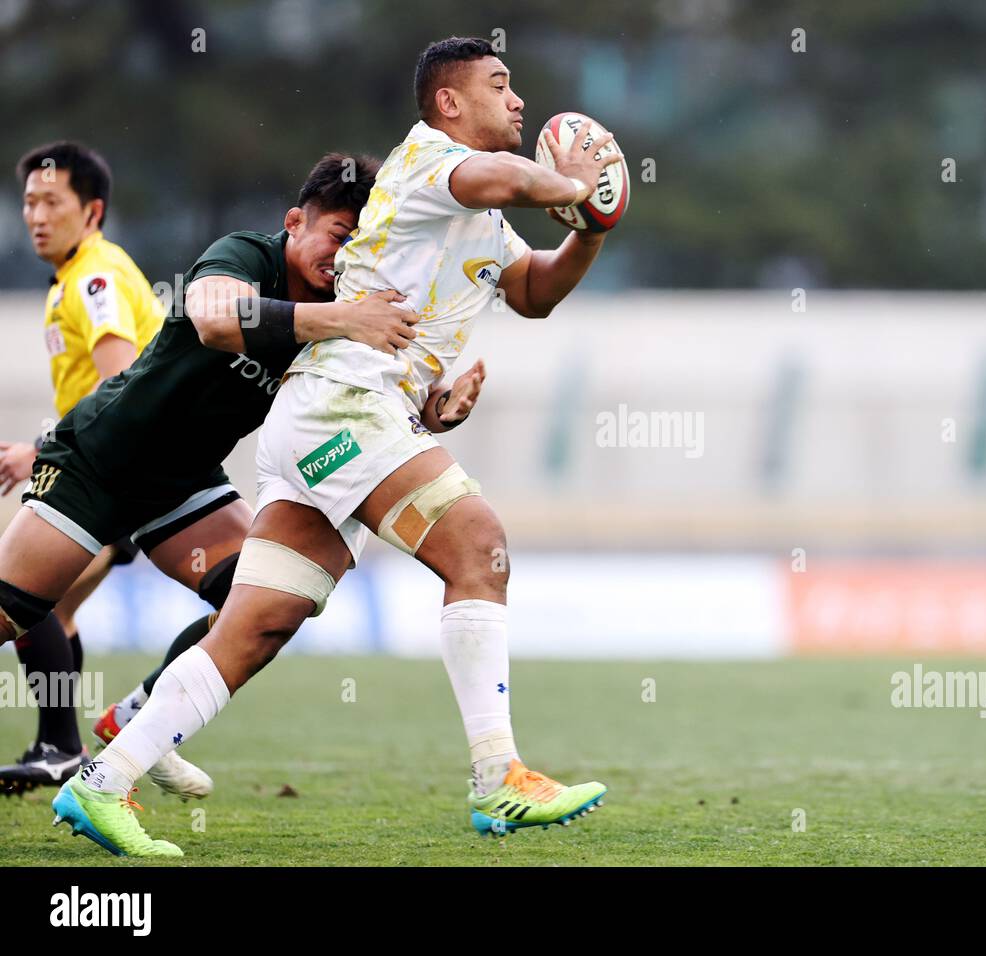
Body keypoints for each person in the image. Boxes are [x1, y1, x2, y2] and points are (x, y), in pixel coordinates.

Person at [56, 35, 623, 857]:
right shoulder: (432, 161)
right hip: (344, 409)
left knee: (254, 629)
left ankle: (101, 782)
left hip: (331, 417)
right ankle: (498, 777)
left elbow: (534, 291)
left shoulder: (487, 219)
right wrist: (576, 181)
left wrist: (591, 228)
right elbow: (505, 177)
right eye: (501, 85)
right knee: (480, 546)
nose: (520, 101)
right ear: (449, 104)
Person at [0, 152, 417, 819]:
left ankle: (140, 720)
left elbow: (354, 404)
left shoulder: (336, 311)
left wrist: (436, 407)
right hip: (100, 462)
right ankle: (63, 744)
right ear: (294, 223)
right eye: (339, 236)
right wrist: (344, 321)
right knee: (13, 612)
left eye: (359, 246)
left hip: (184, 484)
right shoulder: (244, 255)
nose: (344, 259)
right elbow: (216, 322)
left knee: (266, 603)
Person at [0, 141, 206, 797]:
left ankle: (88, 736)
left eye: (51, 201)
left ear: (92, 210)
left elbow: (119, 379)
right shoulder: (77, 275)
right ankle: (64, 741)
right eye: (29, 201)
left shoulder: (96, 277)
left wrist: (40, 448)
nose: (35, 214)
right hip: (115, 468)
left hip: (121, 475)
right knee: (50, 609)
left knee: (29, 602)